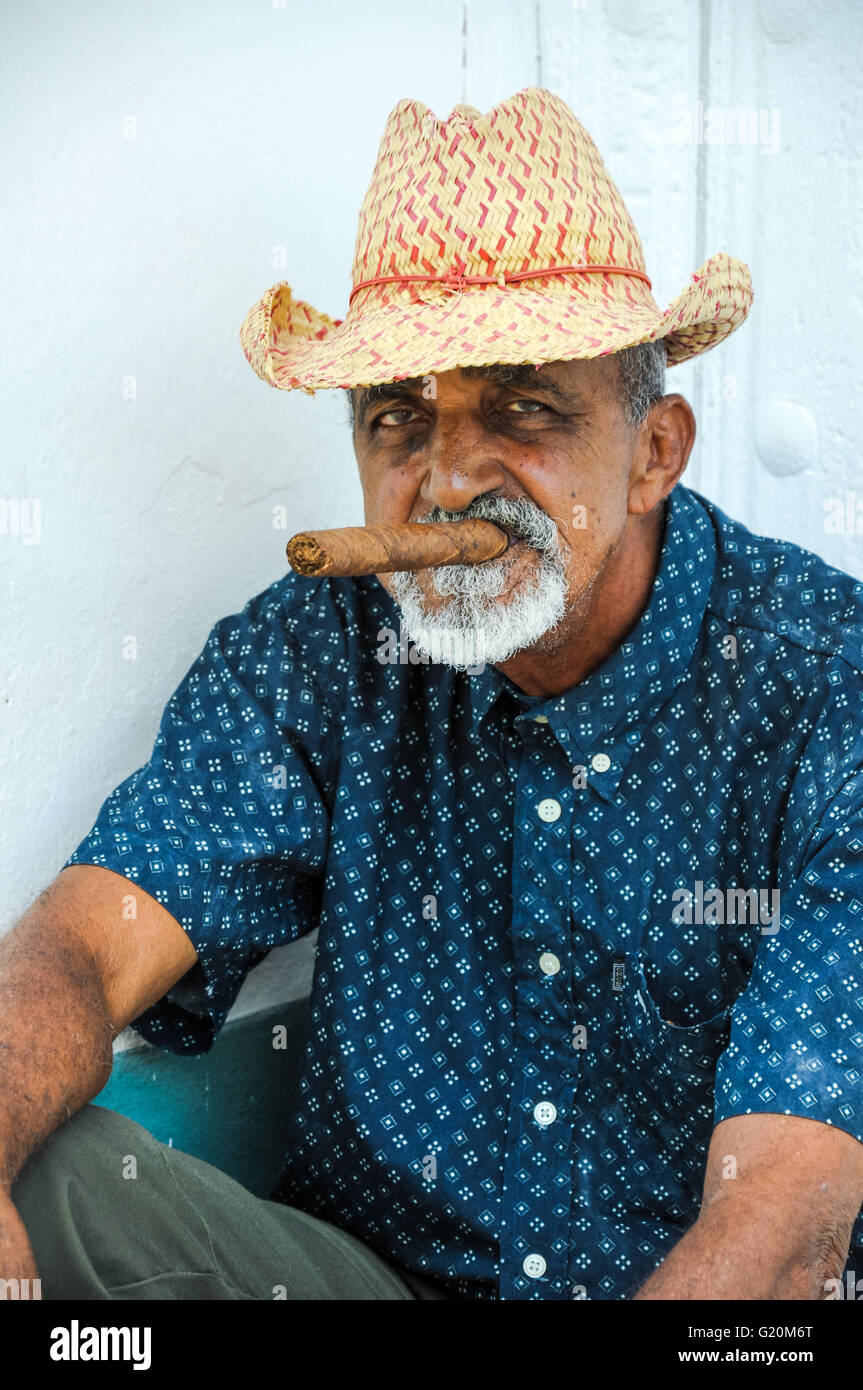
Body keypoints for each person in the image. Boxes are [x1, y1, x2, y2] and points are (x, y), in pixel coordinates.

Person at [2, 87, 861, 1302]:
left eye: (521, 406)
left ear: (653, 450)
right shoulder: (320, 646)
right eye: (397, 417)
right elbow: (81, 946)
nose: (448, 479)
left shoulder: (826, 677)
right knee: (49, 1167)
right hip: (386, 1286)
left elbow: (784, 1218)